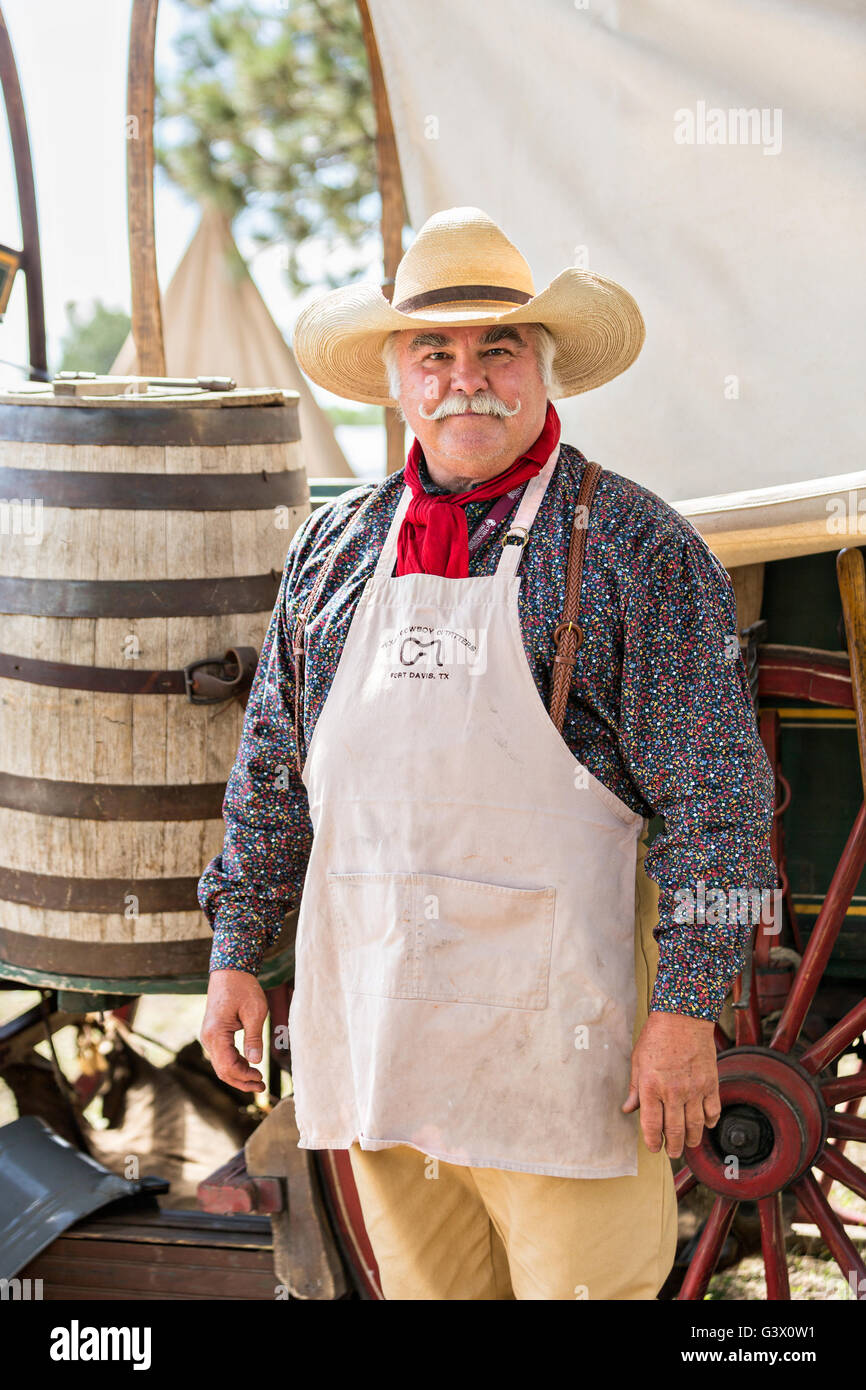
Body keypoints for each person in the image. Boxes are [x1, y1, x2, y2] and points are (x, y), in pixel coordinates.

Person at [198, 206, 777, 1300]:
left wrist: (687, 1009)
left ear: (541, 370)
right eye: (435, 352)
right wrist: (236, 948)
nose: (465, 378)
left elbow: (719, 802)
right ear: (397, 379)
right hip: (382, 1041)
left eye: (496, 349)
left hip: (565, 1063)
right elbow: (273, 770)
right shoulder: (330, 550)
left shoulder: (630, 546)